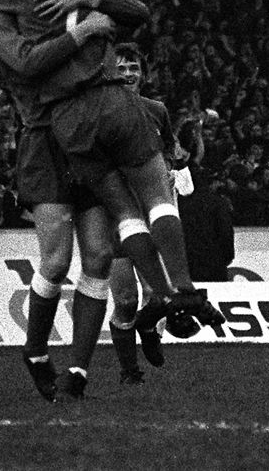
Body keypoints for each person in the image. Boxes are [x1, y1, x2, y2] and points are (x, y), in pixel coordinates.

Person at [0, 0, 224, 342]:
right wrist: (90, 13)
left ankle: (149, 307)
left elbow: (13, 33)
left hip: (69, 123)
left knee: (111, 232)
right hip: (84, 115)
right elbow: (136, 12)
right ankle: (180, 292)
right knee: (143, 206)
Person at [0, 0, 146, 400]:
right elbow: (28, 62)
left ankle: (77, 371)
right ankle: (35, 352)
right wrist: (87, 30)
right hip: (44, 141)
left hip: (86, 132)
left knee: (98, 255)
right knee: (55, 261)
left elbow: (130, 14)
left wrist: (93, 3)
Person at [108, 43, 199, 385]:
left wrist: (171, 170)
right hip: (115, 215)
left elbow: (169, 151)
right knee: (125, 299)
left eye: (134, 67)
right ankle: (129, 371)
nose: (128, 73)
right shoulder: (99, 113)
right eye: (121, 68)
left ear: (143, 74)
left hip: (150, 213)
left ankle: (150, 330)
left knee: (155, 293)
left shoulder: (156, 110)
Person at [176, 119, 236, 282]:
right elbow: (226, 237)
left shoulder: (173, 201)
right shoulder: (215, 202)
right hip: (213, 267)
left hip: (182, 270)